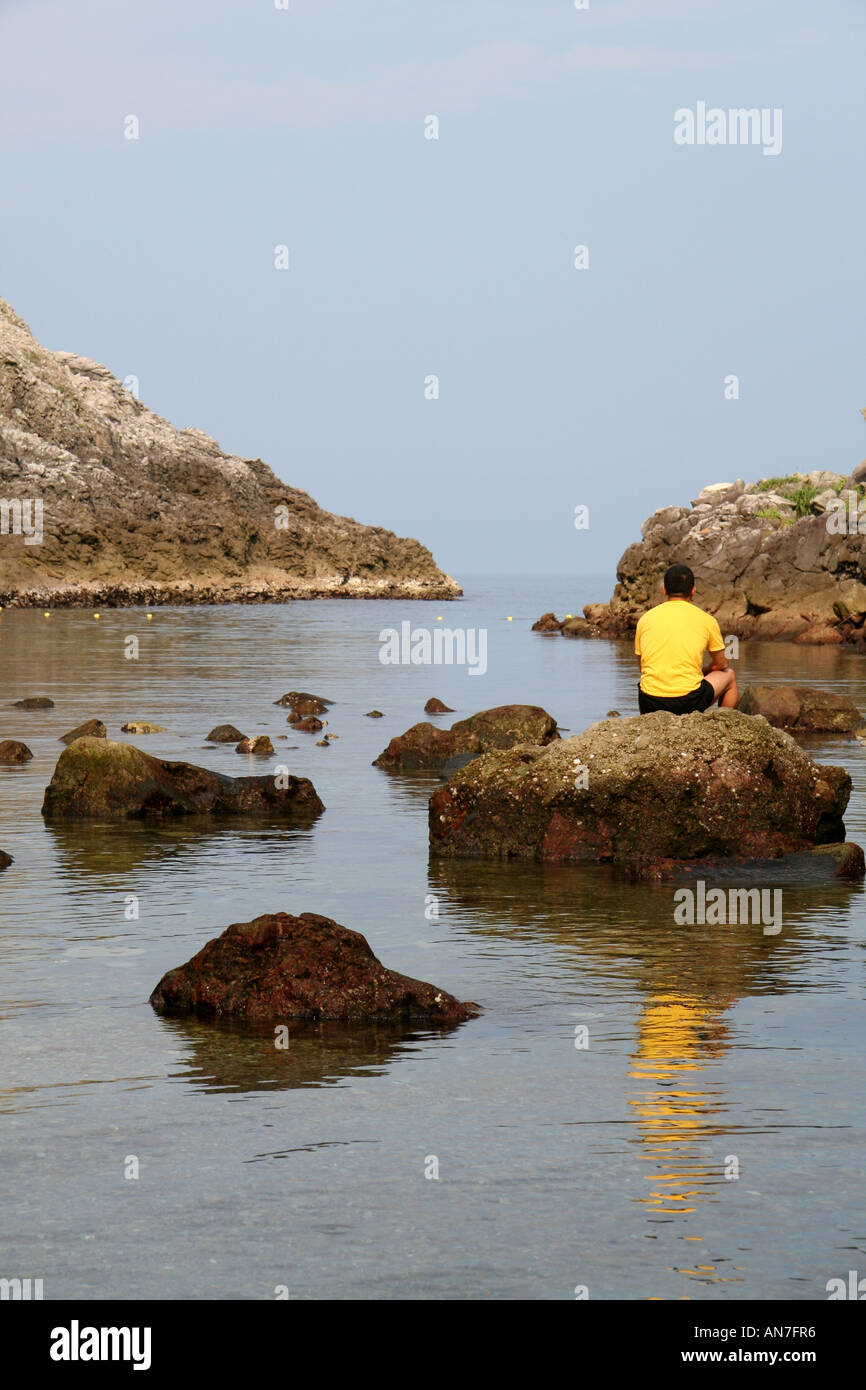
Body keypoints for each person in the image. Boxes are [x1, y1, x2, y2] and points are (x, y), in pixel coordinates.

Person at [634, 564, 738, 715]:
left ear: (664, 590)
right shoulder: (707, 620)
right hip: (688, 701)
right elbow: (722, 664)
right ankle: (725, 721)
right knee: (729, 675)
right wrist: (705, 670)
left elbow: (642, 667)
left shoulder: (645, 619)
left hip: (649, 702)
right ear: (693, 590)